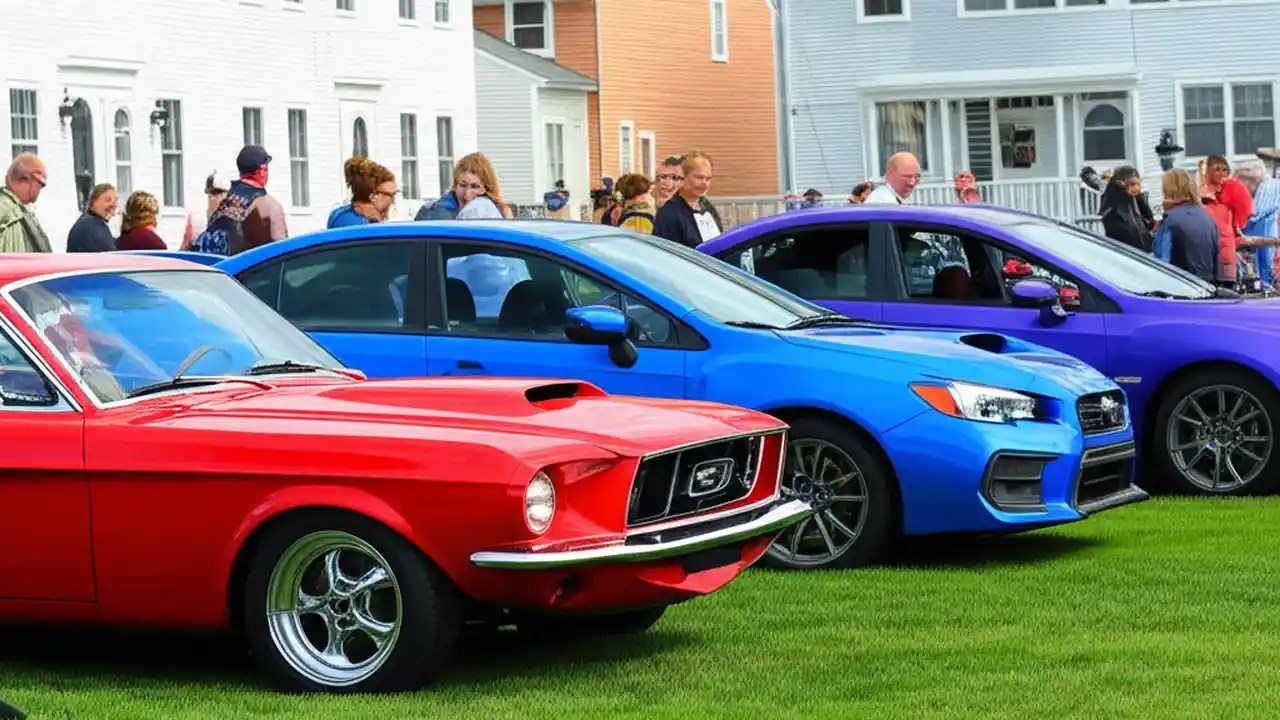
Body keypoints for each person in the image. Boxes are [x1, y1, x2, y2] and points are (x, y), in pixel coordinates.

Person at [189, 144, 288, 256]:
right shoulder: (269, 206)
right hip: (247, 270)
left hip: (217, 267)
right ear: (263, 169)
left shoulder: (223, 196)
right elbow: (282, 252)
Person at [1153, 169, 1218, 282]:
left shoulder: (1169, 220)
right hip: (1207, 282)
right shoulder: (1205, 216)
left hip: (1182, 284)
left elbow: (1162, 261)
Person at [653, 150, 722, 248]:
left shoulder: (707, 207)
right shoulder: (669, 213)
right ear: (683, 177)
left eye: (708, 179)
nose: (704, 183)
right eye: (699, 177)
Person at [0, 153, 52, 253]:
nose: (40, 189)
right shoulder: (9, 214)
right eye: (41, 184)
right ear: (30, 179)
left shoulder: (21, 210)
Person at [328, 157, 398, 227]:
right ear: (373, 196)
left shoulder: (340, 214)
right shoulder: (362, 225)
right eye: (391, 195)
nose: (392, 202)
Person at [1099, 166, 1154, 252]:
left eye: (1138, 184)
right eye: (1132, 184)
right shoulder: (1112, 209)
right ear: (1121, 184)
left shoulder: (1137, 202)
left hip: (1144, 253)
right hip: (1128, 253)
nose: (1136, 188)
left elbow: (1149, 223)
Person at [181, 172, 230, 249]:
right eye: (209, 193)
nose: (212, 197)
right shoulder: (196, 219)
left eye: (217, 192)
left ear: (227, 194)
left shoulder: (234, 219)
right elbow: (184, 250)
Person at [66, 183, 118, 252]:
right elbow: (110, 253)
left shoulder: (87, 221)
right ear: (94, 201)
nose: (112, 205)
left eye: (115, 202)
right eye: (108, 200)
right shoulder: (91, 226)